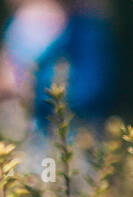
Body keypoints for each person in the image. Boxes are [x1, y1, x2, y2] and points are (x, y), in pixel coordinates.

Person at [0, 0, 113, 145]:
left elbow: (91, 89)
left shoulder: (86, 30)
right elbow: (10, 78)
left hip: (76, 134)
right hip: (29, 134)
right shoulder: (21, 25)